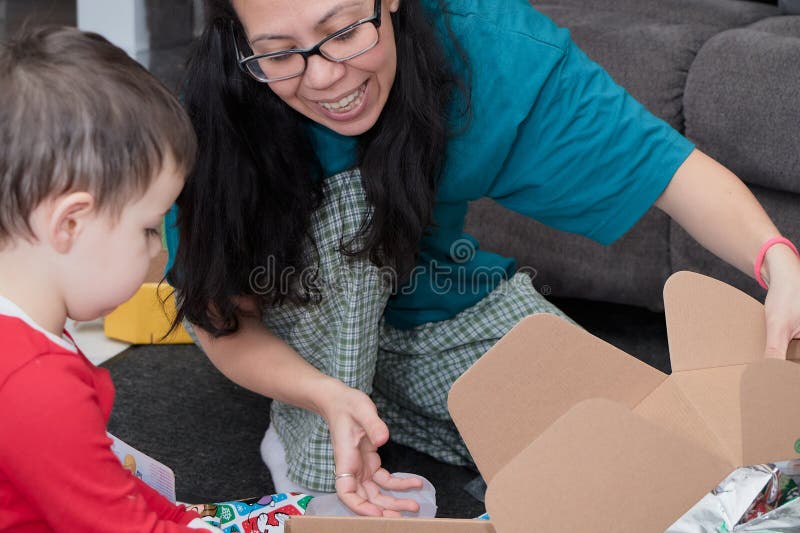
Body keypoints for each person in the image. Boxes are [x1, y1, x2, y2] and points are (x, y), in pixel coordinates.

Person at [166, 0, 800, 517]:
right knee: (347, 228)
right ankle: (312, 452)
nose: (326, 75)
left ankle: (378, 395)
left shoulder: (488, 54)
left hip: (434, 296)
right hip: (304, 309)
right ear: (239, 40)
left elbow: (669, 171)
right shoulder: (214, 118)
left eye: (345, 30)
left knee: (628, 444)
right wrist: (321, 395)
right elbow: (222, 316)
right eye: (280, 52)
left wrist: (778, 261)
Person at [0, 26, 221, 532]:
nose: (158, 252)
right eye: (147, 228)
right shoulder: (35, 382)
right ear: (70, 223)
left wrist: (183, 520)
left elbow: (107, 484)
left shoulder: (23, 333)